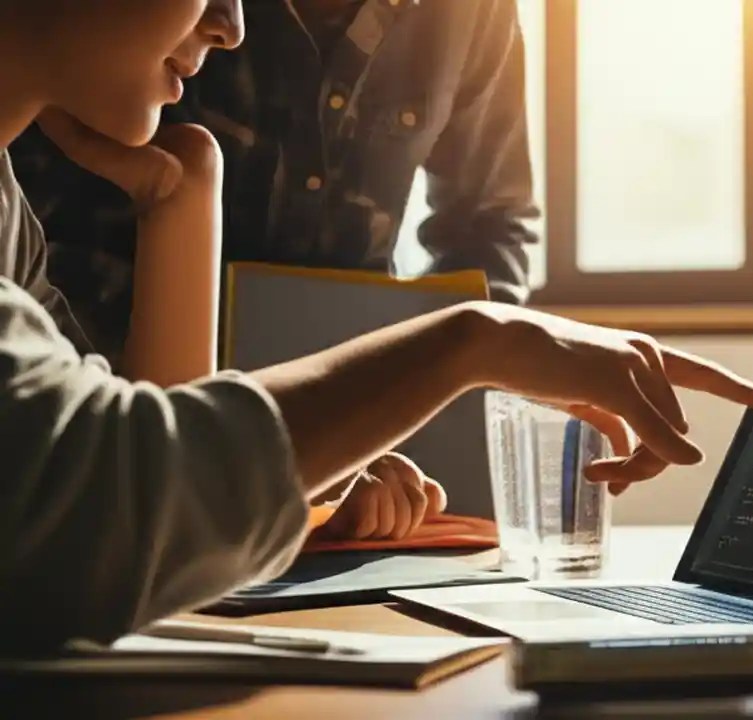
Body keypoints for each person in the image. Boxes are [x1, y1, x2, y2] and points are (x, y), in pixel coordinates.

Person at [0, 0, 753, 653]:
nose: (231, 25)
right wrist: (472, 343)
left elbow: (150, 531)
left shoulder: (10, 217)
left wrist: (182, 198)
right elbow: (103, 513)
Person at [16, 1, 545, 543]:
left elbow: (156, 493)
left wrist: (372, 423)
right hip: (149, 425)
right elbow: (129, 492)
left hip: (241, 464)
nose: (229, 27)